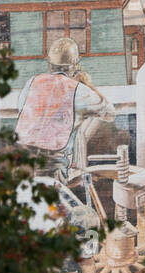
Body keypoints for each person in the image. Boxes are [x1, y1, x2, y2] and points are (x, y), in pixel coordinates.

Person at [12, 37, 115, 184]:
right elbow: (110, 113)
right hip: (52, 165)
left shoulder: (33, 81)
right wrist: (87, 83)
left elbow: (22, 109)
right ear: (76, 64)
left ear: (49, 63)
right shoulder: (78, 90)